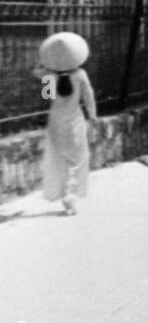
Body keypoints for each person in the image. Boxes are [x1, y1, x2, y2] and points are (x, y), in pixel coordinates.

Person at [36, 32, 96, 215]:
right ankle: (70, 195)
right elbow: (89, 97)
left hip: (56, 120)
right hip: (75, 120)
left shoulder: (49, 76)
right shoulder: (81, 74)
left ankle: (63, 193)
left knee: (59, 158)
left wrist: (46, 65)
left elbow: (47, 96)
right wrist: (93, 116)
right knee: (77, 158)